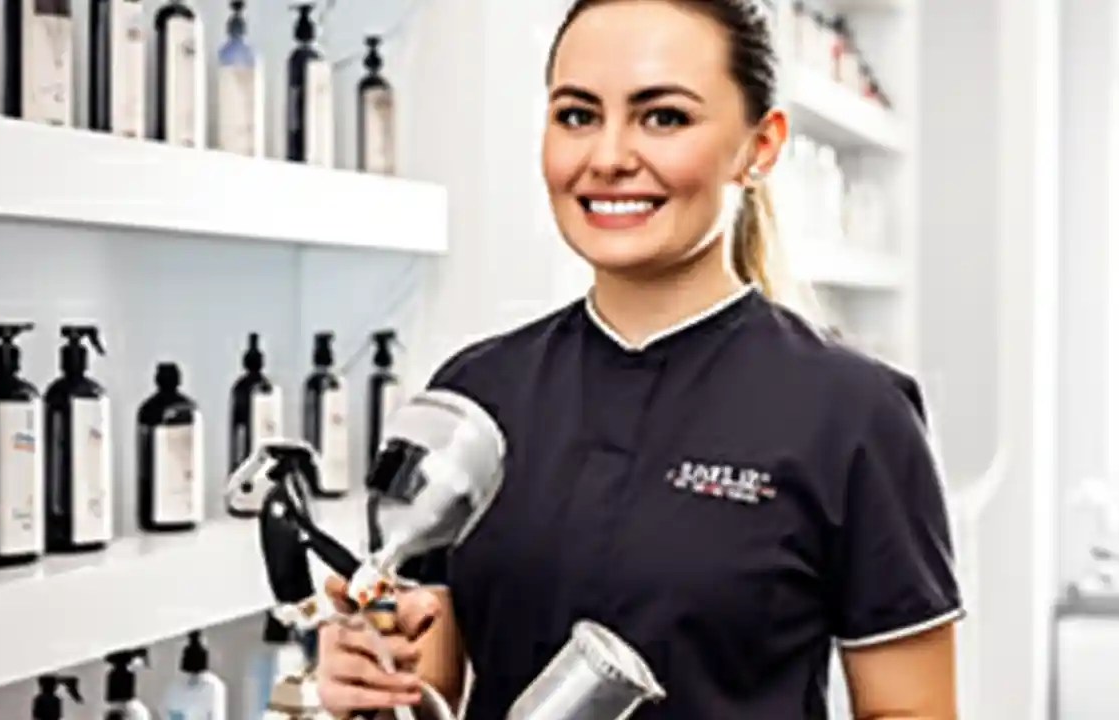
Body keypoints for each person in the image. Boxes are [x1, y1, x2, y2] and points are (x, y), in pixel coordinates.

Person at [318, 0, 962, 717]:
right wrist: (367, 682)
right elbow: (422, 690)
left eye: (663, 117)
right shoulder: (473, 398)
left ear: (761, 147)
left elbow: (909, 711)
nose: (609, 157)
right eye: (577, 115)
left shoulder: (856, 414)